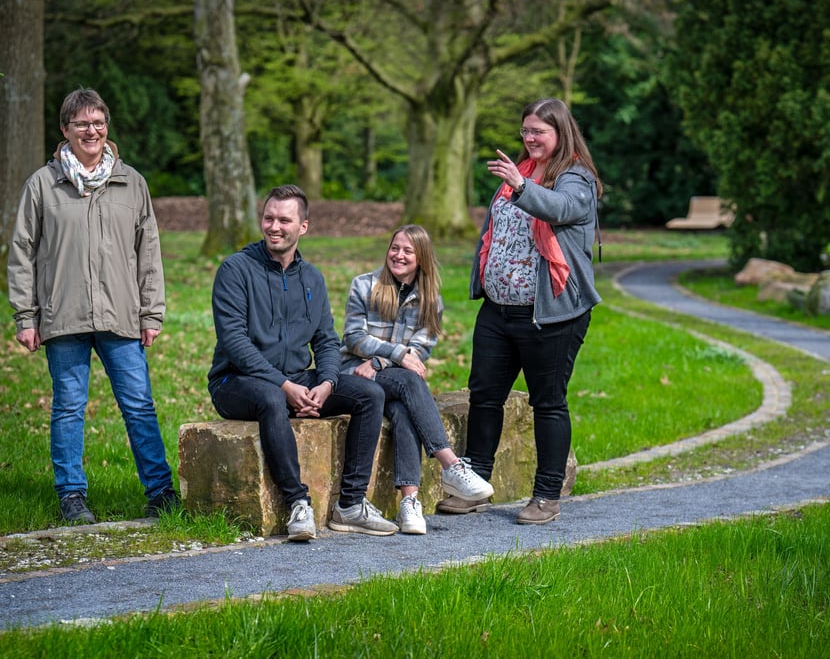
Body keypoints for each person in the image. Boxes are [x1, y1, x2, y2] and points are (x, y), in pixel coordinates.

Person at [7, 88, 180, 525]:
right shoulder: (42, 185)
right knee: (68, 406)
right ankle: (71, 495)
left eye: (99, 122)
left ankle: (160, 492)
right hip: (62, 317)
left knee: (139, 404)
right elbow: (22, 252)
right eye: (82, 123)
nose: (92, 130)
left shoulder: (131, 182)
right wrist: (26, 317)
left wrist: (151, 312)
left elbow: (149, 253)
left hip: (121, 315)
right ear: (65, 129)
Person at [436, 98, 602, 525]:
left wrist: (522, 186)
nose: (529, 139)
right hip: (498, 310)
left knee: (548, 402)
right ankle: (475, 485)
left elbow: (561, 209)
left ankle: (546, 495)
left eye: (538, 132)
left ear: (561, 133)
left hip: (550, 314)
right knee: (485, 396)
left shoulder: (576, 178)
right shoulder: (521, 173)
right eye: (525, 131)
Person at [208, 184, 397, 541]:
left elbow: (326, 339)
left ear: (303, 227)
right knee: (271, 398)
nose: (274, 227)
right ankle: (298, 503)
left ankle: (351, 505)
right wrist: (285, 386)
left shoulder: (312, 278)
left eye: (284, 220)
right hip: (236, 382)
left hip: (298, 379)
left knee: (369, 394)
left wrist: (326, 383)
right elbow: (234, 343)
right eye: (268, 218)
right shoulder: (236, 270)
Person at [340, 225, 494, 534]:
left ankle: (409, 504)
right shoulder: (364, 285)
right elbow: (354, 337)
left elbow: (419, 353)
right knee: (411, 384)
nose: (398, 255)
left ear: (421, 258)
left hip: (385, 377)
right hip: (354, 374)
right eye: (394, 248)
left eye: (407, 251)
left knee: (402, 410)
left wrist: (382, 360)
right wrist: (396, 354)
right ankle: (450, 464)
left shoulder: (430, 301)